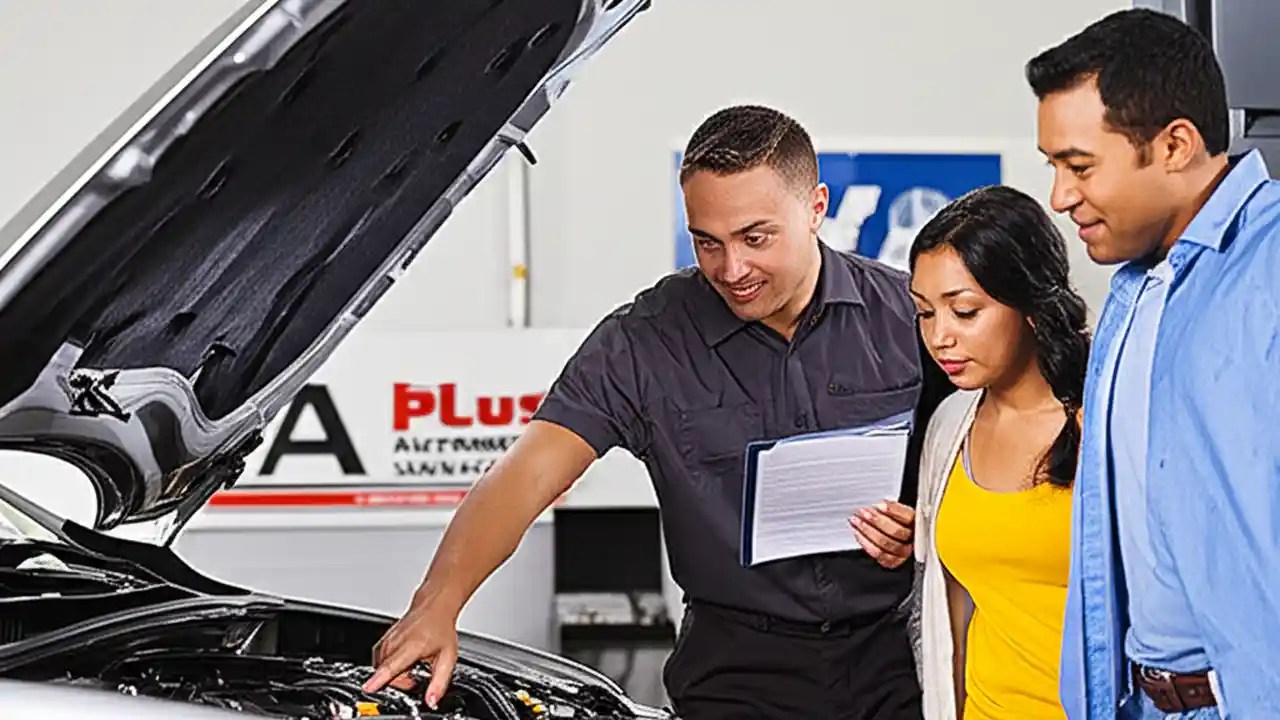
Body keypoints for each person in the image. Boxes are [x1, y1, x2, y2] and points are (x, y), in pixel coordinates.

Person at [361, 103, 953, 719]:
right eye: (707, 242)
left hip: (901, 661)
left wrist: (928, 530)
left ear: (816, 207)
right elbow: (526, 473)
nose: (733, 269)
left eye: (756, 238)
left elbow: (995, 453)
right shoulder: (643, 342)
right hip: (736, 674)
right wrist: (437, 603)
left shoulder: (912, 317)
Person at [1026, 9, 1280, 720]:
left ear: (1174, 146)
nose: (1060, 196)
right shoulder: (1134, 291)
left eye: (1079, 166)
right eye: (1054, 167)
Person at [903, 185, 1089, 720]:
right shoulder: (949, 426)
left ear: (1030, 305)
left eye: (964, 311)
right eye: (924, 313)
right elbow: (950, 614)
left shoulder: (1108, 420)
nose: (940, 337)